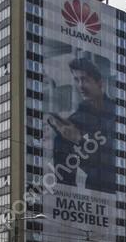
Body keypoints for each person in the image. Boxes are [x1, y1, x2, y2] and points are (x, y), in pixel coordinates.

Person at [46, 57, 116, 194]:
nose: (80, 86)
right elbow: (64, 176)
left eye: (85, 80)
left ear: (100, 84)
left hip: (111, 191)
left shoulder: (117, 114)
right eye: (77, 80)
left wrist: (79, 139)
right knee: (60, 139)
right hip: (92, 196)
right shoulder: (77, 119)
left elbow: (110, 160)